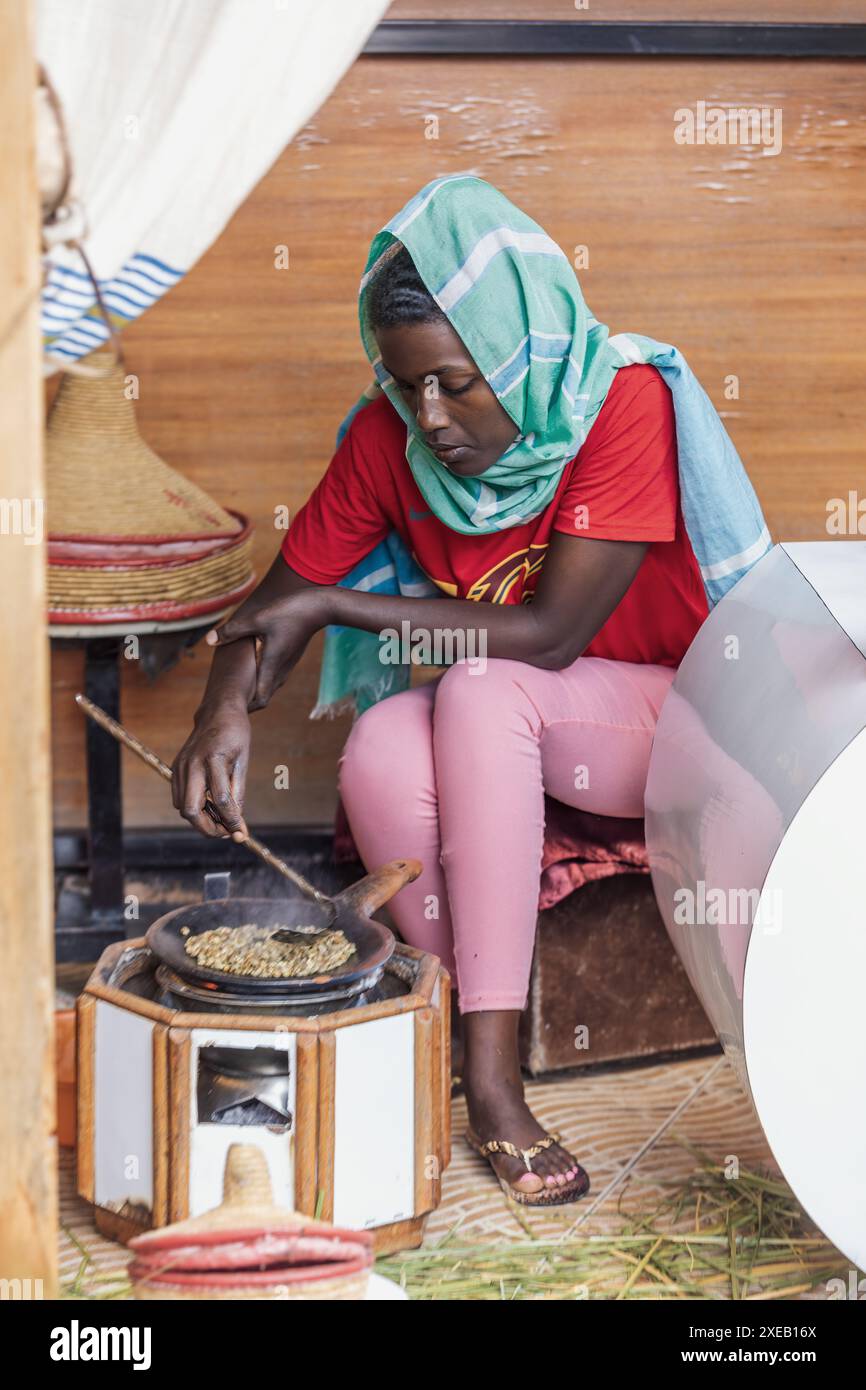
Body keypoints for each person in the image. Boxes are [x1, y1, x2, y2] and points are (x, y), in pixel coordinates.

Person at [172, 176, 718, 1207]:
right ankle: (448, 1014)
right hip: (509, 730)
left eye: (455, 384)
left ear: (519, 349)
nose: (430, 417)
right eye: (406, 385)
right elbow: (276, 608)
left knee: (478, 686)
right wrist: (222, 708)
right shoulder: (390, 439)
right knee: (381, 738)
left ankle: (491, 1087)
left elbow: (548, 637)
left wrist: (340, 607)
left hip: (663, 725)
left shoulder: (616, 400)